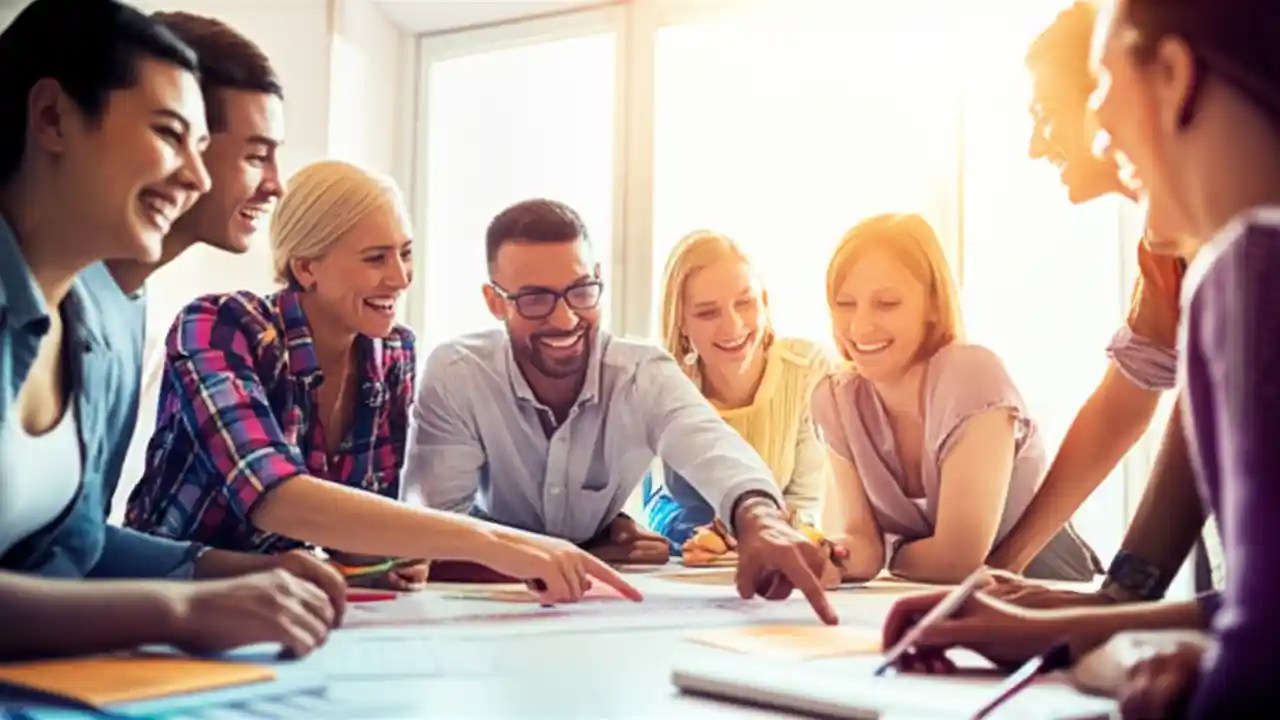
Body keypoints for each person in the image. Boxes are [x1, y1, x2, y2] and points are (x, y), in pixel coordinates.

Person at [885, 1, 1280, 715]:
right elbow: (1263, 611)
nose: (1095, 125)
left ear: (1172, 75)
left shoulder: (1249, 270)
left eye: (1098, 87)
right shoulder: (1198, 263)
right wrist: (1093, 611)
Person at [125, 162, 638, 605]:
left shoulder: (391, 354)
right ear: (306, 267)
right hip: (161, 596)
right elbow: (277, 498)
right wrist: (493, 542)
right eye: (376, 258)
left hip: (287, 603)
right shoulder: (219, 326)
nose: (401, 277)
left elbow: (357, 530)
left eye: (405, 253)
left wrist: (385, 555)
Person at [0, 0, 338, 659]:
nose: (196, 176)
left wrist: (222, 571)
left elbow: (72, 551)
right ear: (51, 118)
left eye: (203, 147)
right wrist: (177, 608)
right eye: (168, 134)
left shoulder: (96, 322)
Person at [403, 198, 840, 624]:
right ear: (495, 301)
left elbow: (713, 447)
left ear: (597, 280)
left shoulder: (641, 375)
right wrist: (583, 549)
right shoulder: (458, 374)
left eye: (581, 292)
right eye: (535, 299)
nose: (565, 318)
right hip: (486, 615)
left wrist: (760, 517)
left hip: (592, 613)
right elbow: (437, 536)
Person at [985, 0, 1213, 611]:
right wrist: (1003, 568)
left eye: (1045, 114)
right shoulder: (1163, 249)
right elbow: (1127, 402)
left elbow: (1197, 407)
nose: (1036, 146)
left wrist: (1116, 600)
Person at [811, 213, 1099, 584]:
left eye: (887, 303)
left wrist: (890, 554)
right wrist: (826, 556)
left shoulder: (970, 375)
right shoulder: (836, 399)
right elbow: (863, 542)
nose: (859, 326)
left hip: (1043, 586)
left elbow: (957, 559)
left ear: (933, 304)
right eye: (845, 304)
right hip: (937, 597)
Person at [644, 230, 832, 551]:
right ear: (681, 324)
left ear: (765, 302)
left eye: (744, 303)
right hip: (694, 554)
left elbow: (804, 501)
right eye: (707, 312)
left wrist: (779, 536)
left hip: (781, 548)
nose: (732, 327)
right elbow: (666, 502)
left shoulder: (806, 370)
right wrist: (703, 538)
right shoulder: (665, 383)